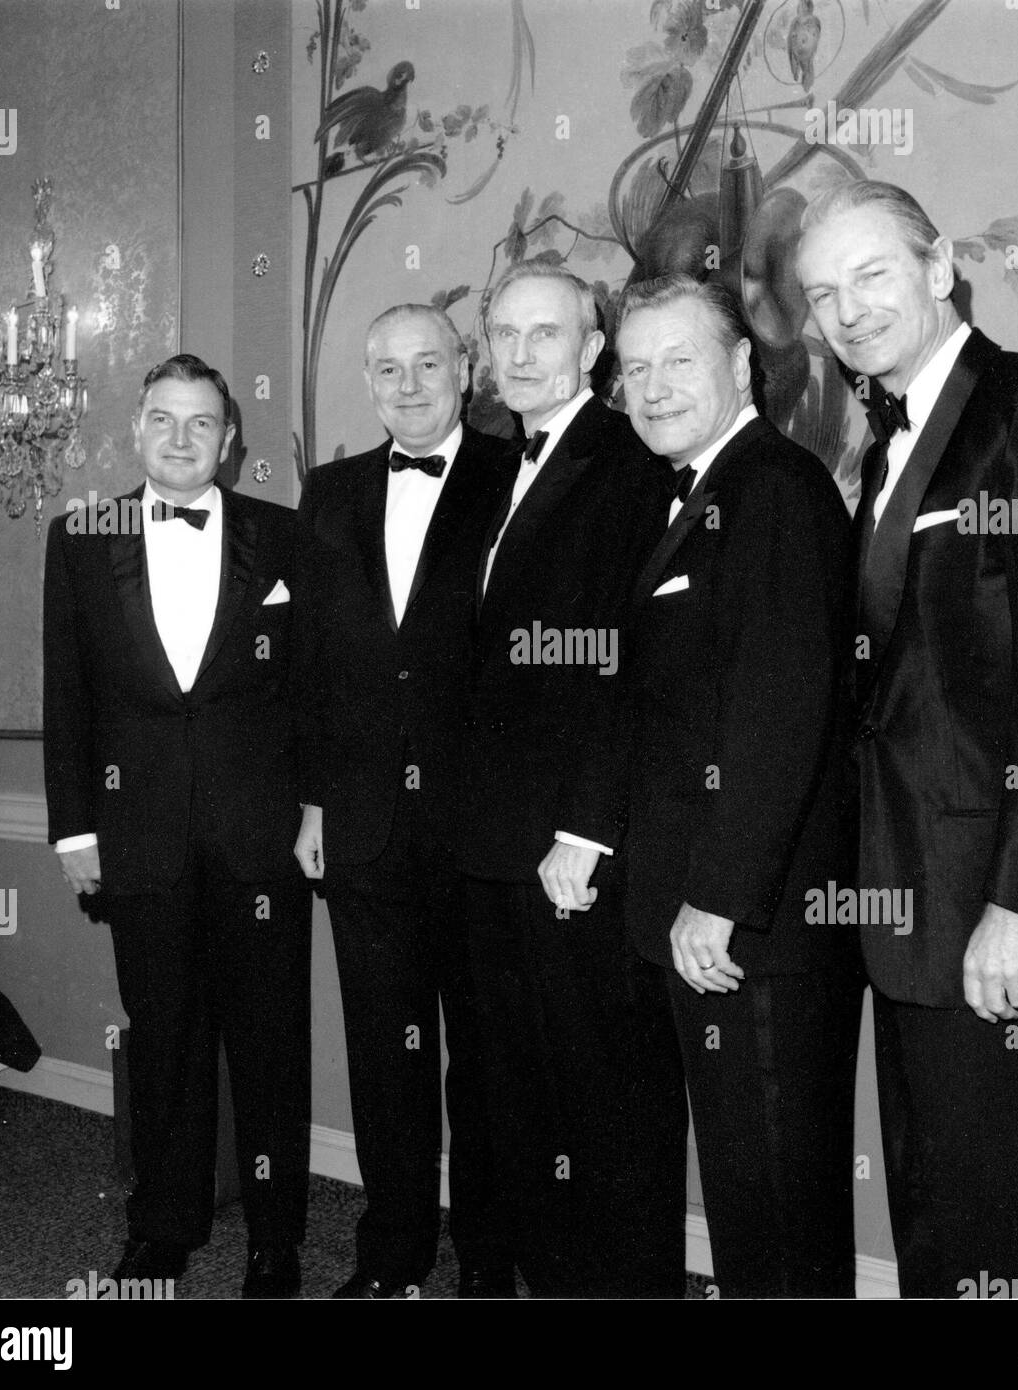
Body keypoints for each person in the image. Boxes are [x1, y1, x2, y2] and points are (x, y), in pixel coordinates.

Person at [795, 179, 1018, 1297]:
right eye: (821, 294)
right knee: (944, 1231)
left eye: (870, 275)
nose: (846, 311)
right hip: (909, 914)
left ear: (940, 267)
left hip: (1005, 916)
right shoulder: (883, 451)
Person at [606, 273, 863, 1298]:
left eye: (679, 360)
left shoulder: (775, 489)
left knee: (775, 1215)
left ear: (741, 365)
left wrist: (716, 897)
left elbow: (779, 711)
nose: (654, 387)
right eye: (635, 369)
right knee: (751, 1201)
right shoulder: (697, 490)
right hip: (711, 916)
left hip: (752, 927)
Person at [43, 354, 311, 1298]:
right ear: (137, 428)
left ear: (230, 440)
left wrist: (315, 807)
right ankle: (163, 1227)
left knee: (271, 1046)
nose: (182, 438)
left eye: (203, 422)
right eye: (164, 418)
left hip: (262, 837)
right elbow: (67, 695)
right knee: (162, 1040)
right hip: (139, 837)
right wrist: (75, 833)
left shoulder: (285, 535)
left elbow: (316, 689)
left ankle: (275, 1244)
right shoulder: (79, 538)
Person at [461, 259, 687, 1298]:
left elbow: (627, 663)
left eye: (543, 333)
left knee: (607, 1097)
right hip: (496, 842)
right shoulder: (495, 468)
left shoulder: (629, 462)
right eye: (502, 334)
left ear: (592, 350)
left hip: (573, 849)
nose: (517, 353)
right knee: (522, 1094)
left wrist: (585, 831)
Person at [292, 305, 516, 1298]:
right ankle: (391, 1254)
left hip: (481, 828)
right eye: (389, 369)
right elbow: (312, 664)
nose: (410, 385)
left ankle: (488, 1259)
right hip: (362, 823)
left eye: (429, 364)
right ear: (368, 382)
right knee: (385, 1055)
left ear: (465, 369)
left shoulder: (514, 474)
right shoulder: (330, 491)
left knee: (488, 1058)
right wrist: (311, 805)